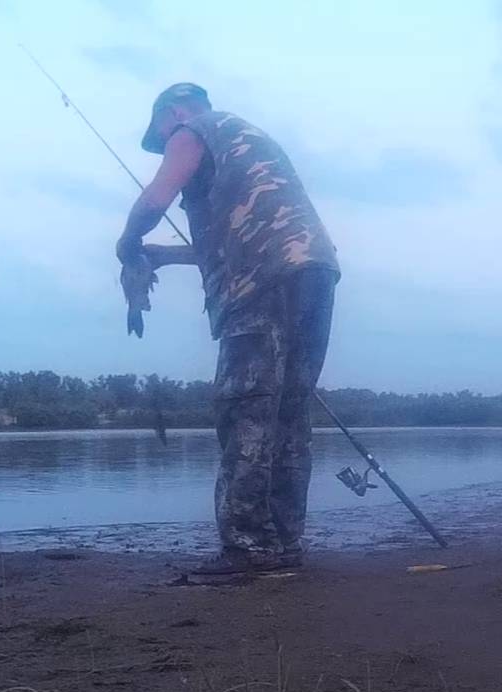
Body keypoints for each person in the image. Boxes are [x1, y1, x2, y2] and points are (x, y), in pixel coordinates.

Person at [116, 83, 340, 575]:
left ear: (173, 112)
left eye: (159, 134)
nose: (163, 143)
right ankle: (283, 544)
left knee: (248, 407)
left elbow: (155, 199)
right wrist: (163, 257)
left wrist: (127, 243)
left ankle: (247, 547)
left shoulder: (191, 128)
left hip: (260, 282)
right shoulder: (248, 140)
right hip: (314, 270)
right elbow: (237, 240)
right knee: (289, 411)